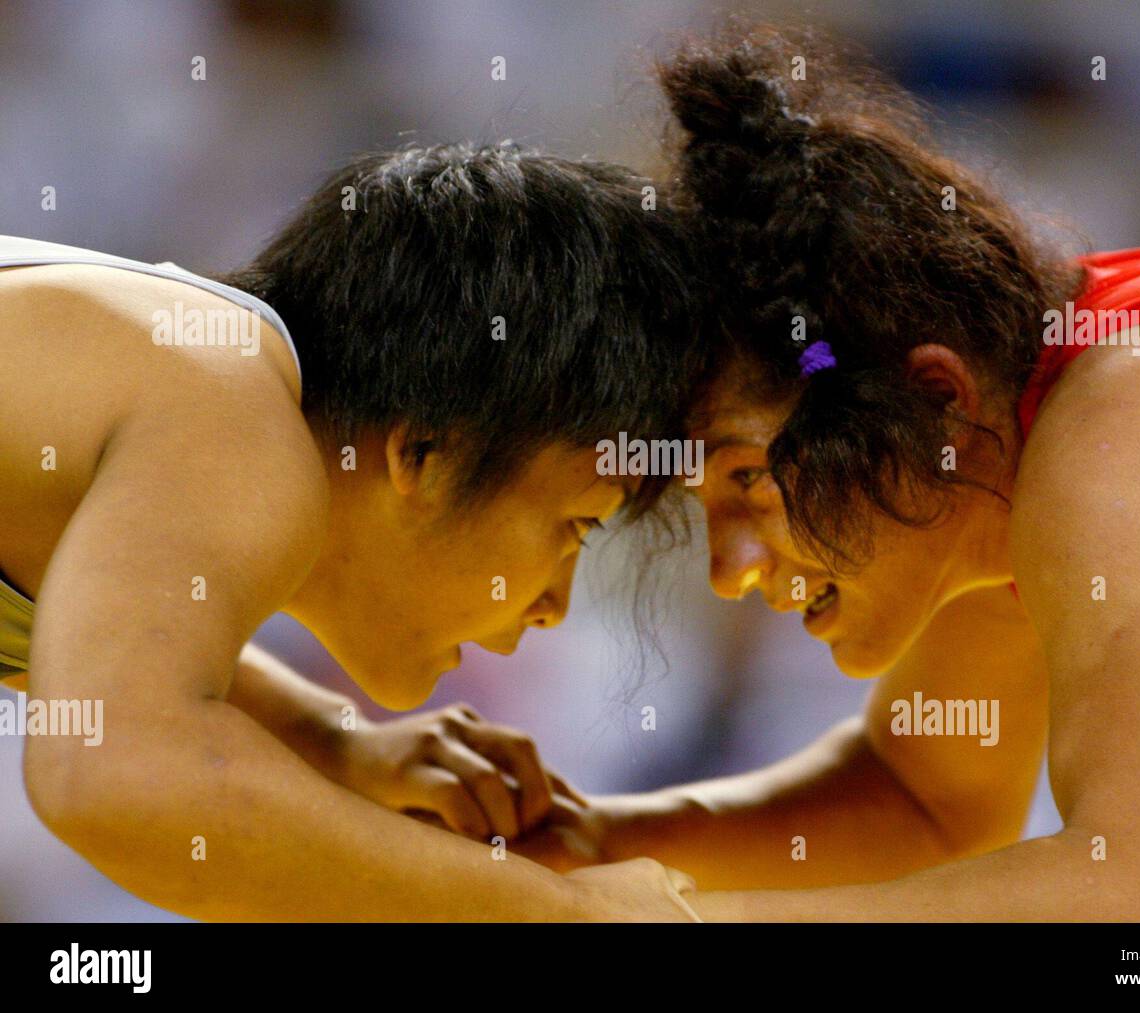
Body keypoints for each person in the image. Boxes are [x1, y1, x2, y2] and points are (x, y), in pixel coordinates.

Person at [515, 30, 1140, 921]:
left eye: (742, 478)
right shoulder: (1013, 439)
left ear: (932, 399)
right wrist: (564, 849)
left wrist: (676, 920)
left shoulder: (1115, 452)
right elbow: (923, 804)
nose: (729, 572)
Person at [0, 143, 703, 921]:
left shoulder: (201, 383)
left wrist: (336, 745)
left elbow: (119, 655)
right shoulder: (234, 421)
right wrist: (558, 912)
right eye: (576, 526)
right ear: (427, 452)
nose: (553, 606)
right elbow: (115, 774)